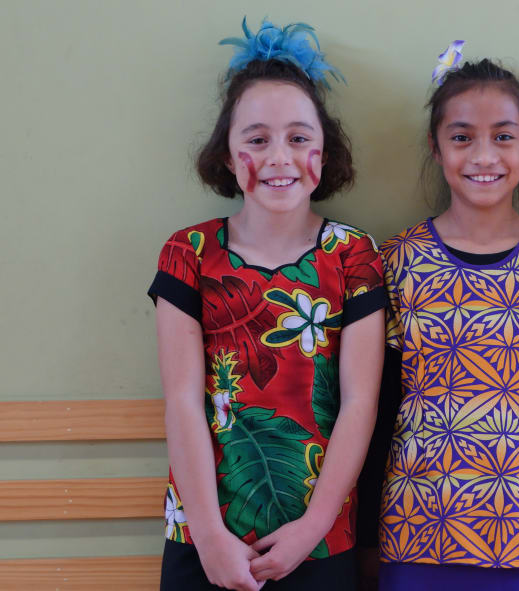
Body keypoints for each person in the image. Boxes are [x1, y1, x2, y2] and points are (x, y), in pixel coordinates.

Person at [148, 19, 385, 591]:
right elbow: (181, 399)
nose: (279, 156)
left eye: (298, 138)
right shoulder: (189, 254)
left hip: (320, 539)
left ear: (323, 154)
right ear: (229, 156)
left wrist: (313, 527)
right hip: (202, 539)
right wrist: (207, 535)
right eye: (257, 139)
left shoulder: (353, 254)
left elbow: (359, 403)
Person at [370, 41, 519, 591]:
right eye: (462, 138)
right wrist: (364, 534)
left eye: (503, 136)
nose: (484, 157)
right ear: (437, 148)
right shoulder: (393, 264)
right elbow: (375, 407)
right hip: (415, 525)